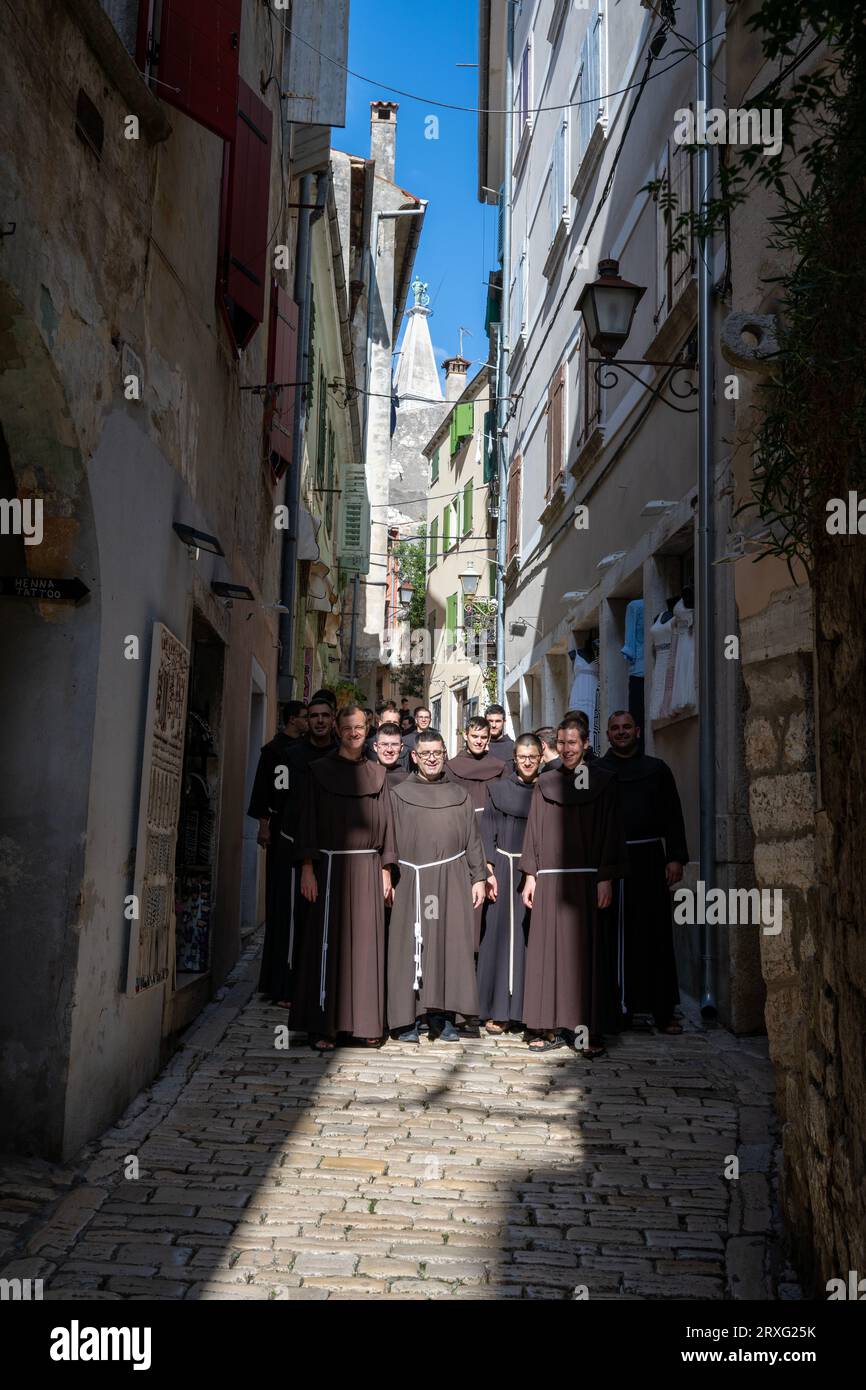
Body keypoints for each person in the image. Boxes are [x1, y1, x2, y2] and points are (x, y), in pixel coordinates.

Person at [292, 705, 397, 1051]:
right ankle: (325, 1026)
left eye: (360, 728)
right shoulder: (317, 771)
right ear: (338, 730)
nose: (354, 733)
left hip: (367, 869)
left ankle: (366, 1023)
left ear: (368, 730)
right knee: (327, 944)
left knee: (366, 946)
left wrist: (385, 871)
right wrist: (307, 867)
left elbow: (387, 826)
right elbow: (305, 821)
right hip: (330, 869)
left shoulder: (378, 774)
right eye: (348, 728)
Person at [519, 715, 625, 1057]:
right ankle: (546, 1026)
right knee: (548, 955)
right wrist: (531, 875)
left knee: (587, 957)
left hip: (588, 881)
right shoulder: (545, 783)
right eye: (562, 743)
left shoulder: (606, 783)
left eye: (573, 743)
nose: (567, 749)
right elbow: (534, 831)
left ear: (586, 745)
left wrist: (606, 875)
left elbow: (612, 833)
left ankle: (588, 1031)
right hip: (550, 882)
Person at [387, 729, 488, 1043]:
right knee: (409, 946)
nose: (432, 758)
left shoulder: (460, 795)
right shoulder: (399, 794)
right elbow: (388, 839)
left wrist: (479, 878)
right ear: (415, 756)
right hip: (411, 881)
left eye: (437, 752)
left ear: (445, 754)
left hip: (451, 880)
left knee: (447, 947)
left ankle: (442, 1016)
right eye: (425, 753)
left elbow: (473, 840)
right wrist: (387, 873)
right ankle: (407, 1018)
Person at [598, 711, 688, 1035]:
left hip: (650, 860)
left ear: (637, 731)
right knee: (617, 937)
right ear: (607, 735)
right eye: (614, 729)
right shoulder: (598, 771)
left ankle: (663, 1011)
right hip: (613, 861)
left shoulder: (657, 770)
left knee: (655, 936)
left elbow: (673, 814)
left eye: (626, 728)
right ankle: (618, 1008)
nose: (621, 733)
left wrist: (675, 857)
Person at [263, 698, 339, 1005]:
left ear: (333, 720)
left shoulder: (341, 755)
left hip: (331, 849)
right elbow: (278, 797)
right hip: (292, 843)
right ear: (306, 720)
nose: (319, 721)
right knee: (290, 917)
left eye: (325, 716)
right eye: (313, 716)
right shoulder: (289, 756)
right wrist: (271, 827)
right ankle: (288, 984)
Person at [478, 734, 543, 1035]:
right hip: (504, 869)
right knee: (500, 938)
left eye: (532, 756)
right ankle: (499, 1009)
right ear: (514, 758)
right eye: (522, 756)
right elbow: (488, 826)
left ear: (541, 756)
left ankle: (530, 1010)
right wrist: (489, 868)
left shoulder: (548, 789)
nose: (527, 761)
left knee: (533, 940)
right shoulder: (498, 789)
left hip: (539, 873)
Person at [248, 701, 308, 1004]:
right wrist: (265, 825)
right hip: (283, 835)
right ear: (293, 720)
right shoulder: (275, 751)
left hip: (300, 836)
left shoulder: (305, 750)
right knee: (280, 905)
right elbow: (265, 792)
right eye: (305, 717)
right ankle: (276, 979)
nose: (309, 721)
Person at [444, 716, 503, 950]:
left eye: (483, 737)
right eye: (474, 736)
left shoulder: (499, 766)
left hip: (492, 838)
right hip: (461, 841)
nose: (478, 741)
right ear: (465, 736)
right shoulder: (451, 767)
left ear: (489, 739)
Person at [374, 720, 408, 787]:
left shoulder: (409, 781)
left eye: (394, 744)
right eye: (384, 744)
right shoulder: (364, 776)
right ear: (375, 747)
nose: (389, 750)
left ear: (401, 748)